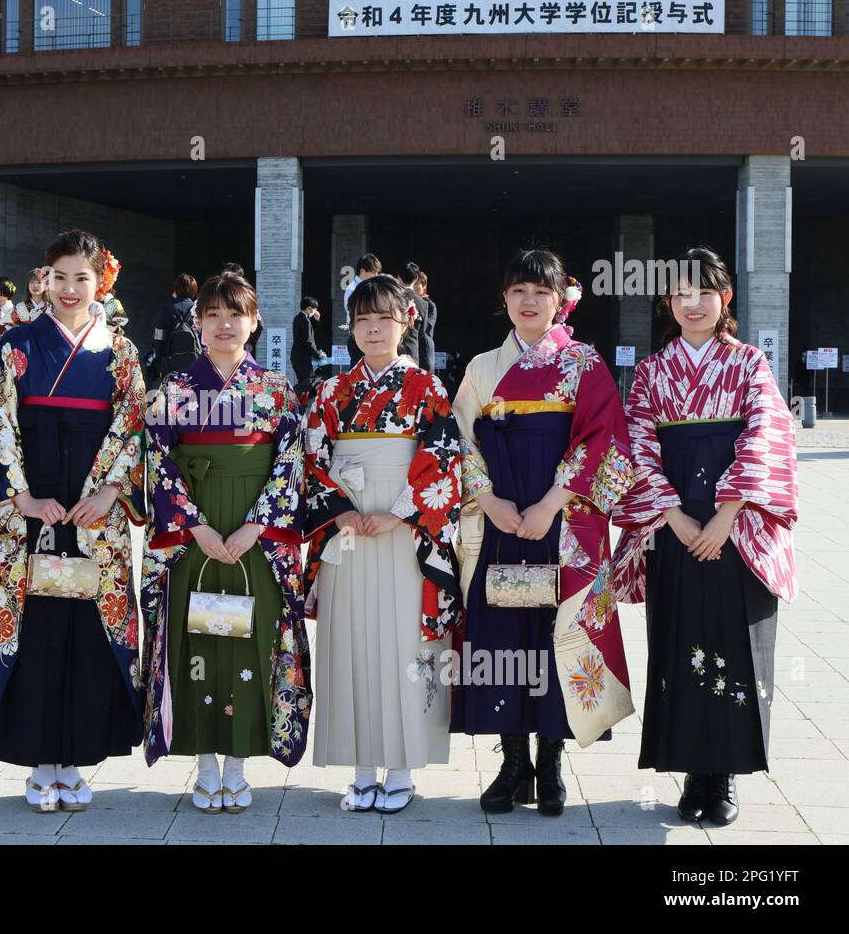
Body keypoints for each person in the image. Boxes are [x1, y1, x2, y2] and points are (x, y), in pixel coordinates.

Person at [611, 247, 798, 828]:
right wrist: (671, 513)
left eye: (705, 293)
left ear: (726, 299)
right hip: (675, 523)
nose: (693, 304)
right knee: (678, 638)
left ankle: (724, 777)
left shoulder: (748, 365)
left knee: (735, 642)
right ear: (669, 302)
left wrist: (726, 515)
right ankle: (692, 770)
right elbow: (637, 444)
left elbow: (767, 434)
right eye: (681, 294)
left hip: (735, 524)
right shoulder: (652, 371)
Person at [450, 248, 636, 817]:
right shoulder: (482, 367)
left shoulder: (583, 361)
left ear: (560, 301)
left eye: (541, 292)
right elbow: (458, 437)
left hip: (563, 522)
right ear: (504, 300)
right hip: (500, 519)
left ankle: (551, 761)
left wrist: (552, 503)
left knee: (556, 634)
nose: (529, 302)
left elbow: (607, 439)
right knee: (504, 638)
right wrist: (487, 499)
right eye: (518, 292)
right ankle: (514, 764)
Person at [0, 229, 147, 813]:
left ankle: (76, 760)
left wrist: (112, 491)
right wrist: (20, 498)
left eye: (82, 277)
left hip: (95, 514)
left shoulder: (120, 354)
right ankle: (40, 761)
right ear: (44, 279)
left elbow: (134, 429)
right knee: (38, 629)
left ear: (101, 282)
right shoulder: (18, 343)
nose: (70, 289)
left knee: (88, 633)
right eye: (60, 276)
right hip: (32, 512)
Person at [141, 271, 312, 813]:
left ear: (254, 322)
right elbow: (159, 461)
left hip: (254, 534)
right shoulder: (176, 390)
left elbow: (290, 463)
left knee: (248, 640)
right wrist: (195, 524)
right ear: (196, 323)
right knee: (195, 640)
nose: (223, 324)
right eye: (211, 314)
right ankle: (205, 763)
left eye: (234, 314)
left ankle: (238, 762)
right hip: (194, 531)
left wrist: (256, 526)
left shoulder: (277, 391)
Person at [302, 275, 462, 813]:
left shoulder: (429, 389)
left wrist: (398, 514)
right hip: (347, 530)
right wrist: (341, 510)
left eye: (385, 318)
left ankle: (401, 767)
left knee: (403, 643)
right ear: (350, 328)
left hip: (404, 533)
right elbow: (310, 461)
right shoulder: (329, 391)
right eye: (363, 320)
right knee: (348, 641)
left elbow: (444, 460)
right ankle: (361, 767)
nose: (374, 329)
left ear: (406, 321)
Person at [149, 273, 201, 385]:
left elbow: (159, 338)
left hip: (170, 363)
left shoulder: (166, 309)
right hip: (194, 363)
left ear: (176, 288)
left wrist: (158, 363)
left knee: (171, 397)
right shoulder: (198, 310)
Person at [396, 261, 437, 371]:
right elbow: (423, 331)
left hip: (394, 352)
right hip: (413, 351)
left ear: (398, 277)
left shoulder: (393, 298)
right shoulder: (423, 303)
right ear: (415, 279)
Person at [344, 253, 382, 364]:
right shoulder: (353, 289)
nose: (376, 275)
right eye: (373, 272)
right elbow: (352, 311)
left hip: (368, 335)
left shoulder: (369, 287)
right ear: (362, 271)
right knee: (358, 372)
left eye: (377, 273)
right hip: (358, 336)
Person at [290, 295, 328, 385]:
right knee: (308, 383)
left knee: (302, 382)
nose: (315, 312)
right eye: (315, 310)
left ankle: (297, 398)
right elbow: (308, 341)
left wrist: (316, 321)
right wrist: (318, 355)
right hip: (303, 358)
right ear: (309, 309)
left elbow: (308, 334)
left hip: (297, 357)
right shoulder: (305, 320)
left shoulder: (298, 318)